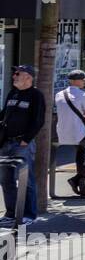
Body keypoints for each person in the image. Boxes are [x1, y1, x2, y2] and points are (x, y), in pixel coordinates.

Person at [0, 65, 45, 225]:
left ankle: (29, 215)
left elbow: (38, 120)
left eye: (18, 73)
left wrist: (26, 140)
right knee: (6, 179)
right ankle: (11, 213)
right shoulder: (13, 93)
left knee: (26, 179)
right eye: (14, 73)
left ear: (28, 77)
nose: (14, 76)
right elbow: (4, 114)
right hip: (6, 143)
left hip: (22, 144)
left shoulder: (36, 95)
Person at [55, 69, 85, 198]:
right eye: (82, 80)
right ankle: (78, 178)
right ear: (76, 81)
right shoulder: (83, 95)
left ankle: (81, 182)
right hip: (80, 131)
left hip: (63, 131)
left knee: (81, 151)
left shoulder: (59, 94)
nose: (83, 82)